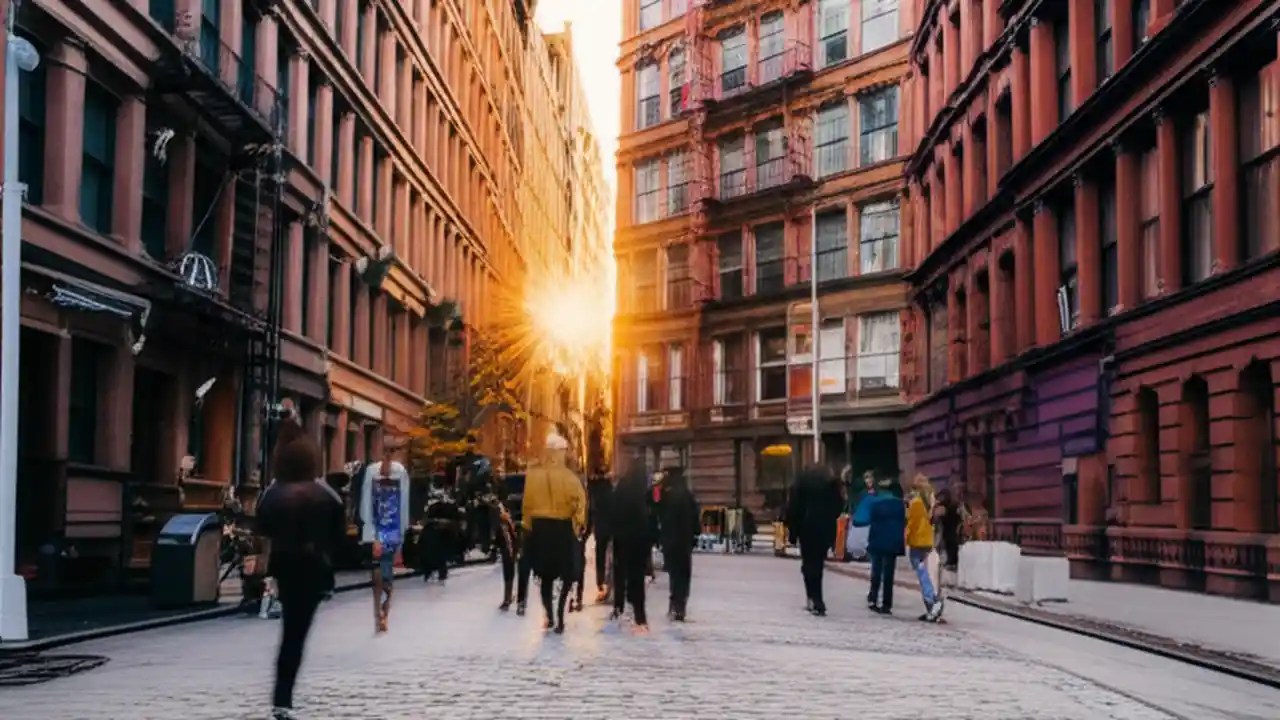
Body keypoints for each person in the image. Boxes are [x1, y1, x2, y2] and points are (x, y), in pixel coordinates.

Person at [256, 418, 344, 720]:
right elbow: (338, 533)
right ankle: (283, 699)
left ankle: (282, 697)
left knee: (290, 632)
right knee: (296, 633)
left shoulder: (272, 493)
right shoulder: (324, 495)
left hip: (284, 565)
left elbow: (263, 526)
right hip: (313, 568)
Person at [521, 432, 586, 633]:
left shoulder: (533, 474)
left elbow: (527, 504)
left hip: (540, 529)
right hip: (561, 528)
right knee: (566, 574)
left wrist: (529, 527)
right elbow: (580, 504)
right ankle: (559, 616)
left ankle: (548, 614)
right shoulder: (569, 477)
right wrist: (577, 525)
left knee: (546, 576)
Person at [358, 440, 411, 633]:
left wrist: (402, 532)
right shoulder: (372, 471)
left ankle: (383, 613)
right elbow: (366, 500)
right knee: (380, 571)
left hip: (391, 528)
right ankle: (379, 613)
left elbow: (404, 501)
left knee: (385, 572)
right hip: (378, 528)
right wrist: (370, 531)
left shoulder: (400, 471)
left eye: (391, 450)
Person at [787, 465, 842, 616]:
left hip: (806, 528)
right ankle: (818, 599)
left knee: (808, 564)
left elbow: (793, 509)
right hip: (824, 528)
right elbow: (838, 506)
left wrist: (792, 533)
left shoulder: (799, 484)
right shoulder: (830, 484)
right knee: (818, 563)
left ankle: (812, 597)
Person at [610, 466, 653, 632]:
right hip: (638, 541)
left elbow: (613, 513)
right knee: (637, 578)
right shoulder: (642, 493)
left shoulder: (621, 490)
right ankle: (639, 615)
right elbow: (648, 517)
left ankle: (619, 606)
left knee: (620, 574)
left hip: (622, 539)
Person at [658, 467, 699, 621]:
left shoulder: (666, 495)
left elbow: (657, 511)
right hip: (684, 542)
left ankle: (674, 604)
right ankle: (680, 606)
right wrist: (695, 535)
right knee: (683, 574)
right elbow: (695, 517)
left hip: (670, 542)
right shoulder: (687, 495)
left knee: (674, 575)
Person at [865, 476, 906, 614]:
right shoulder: (900, 505)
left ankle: (873, 598)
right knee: (888, 574)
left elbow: (869, 519)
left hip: (877, 541)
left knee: (876, 571)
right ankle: (887, 604)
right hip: (893, 542)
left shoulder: (875, 504)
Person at [907, 474, 944, 622]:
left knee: (922, 572)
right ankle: (931, 606)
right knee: (927, 572)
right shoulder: (931, 500)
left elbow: (912, 523)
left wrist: (906, 537)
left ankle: (933, 601)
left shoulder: (916, 502)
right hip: (928, 539)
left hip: (918, 540)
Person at [586, 472, 615, 603]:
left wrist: (590, 526)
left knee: (600, 555)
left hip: (600, 529)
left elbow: (592, 512)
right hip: (610, 528)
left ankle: (601, 582)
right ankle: (608, 583)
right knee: (611, 556)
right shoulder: (611, 493)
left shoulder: (596, 495)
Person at [494, 497, 519, 611]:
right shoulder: (505, 523)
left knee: (509, 573)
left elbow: (509, 539)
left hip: (509, 552)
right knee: (508, 574)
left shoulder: (505, 524)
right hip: (509, 551)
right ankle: (507, 597)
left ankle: (507, 598)